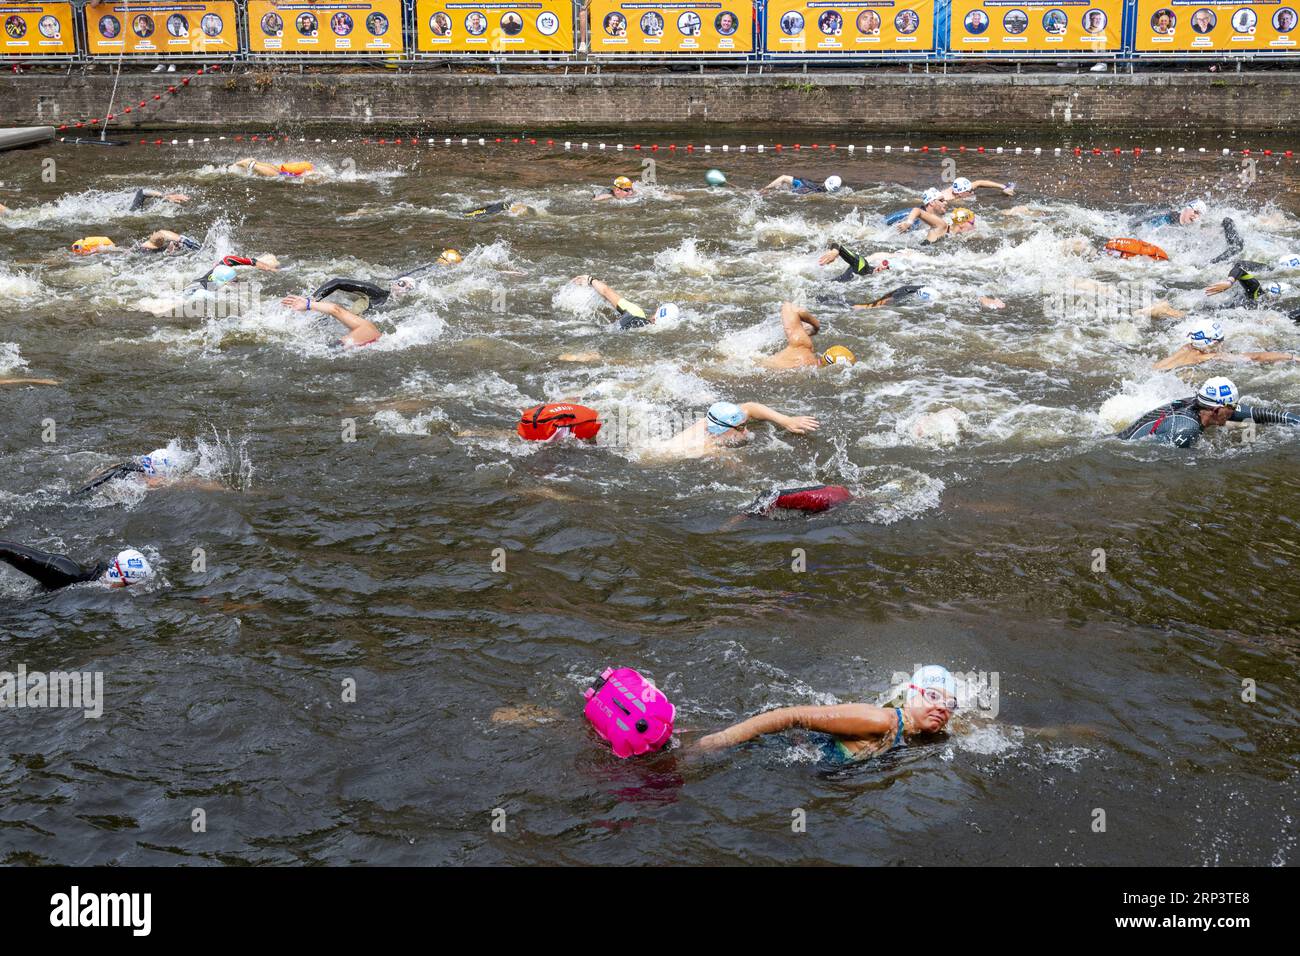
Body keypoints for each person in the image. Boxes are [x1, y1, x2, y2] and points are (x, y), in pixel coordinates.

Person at [695, 665, 957, 764]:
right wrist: (726, 738)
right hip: (762, 751)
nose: (942, 707)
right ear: (911, 695)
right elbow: (795, 716)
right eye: (933, 696)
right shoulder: (880, 720)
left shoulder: (918, 731)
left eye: (950, 703)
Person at [1118, 376, 1300, 446]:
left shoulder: (1201, 404)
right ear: (1216, 410)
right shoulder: (1186, 430)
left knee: (1247, 423)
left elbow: (1263, 415)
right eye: (1233, 407)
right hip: (1123, 445)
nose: (1236, 410)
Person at [648, 400, 819, 460]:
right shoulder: (708, 445)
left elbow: (749, 407)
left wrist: (786, 420)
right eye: (740, 428)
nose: (745, 431)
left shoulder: (719, 421)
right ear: (721, 430)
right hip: (655, 456)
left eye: (744, 425)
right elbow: (736, 468)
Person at [310, 250, 462, 312]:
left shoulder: (408, 309)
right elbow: (338, 281)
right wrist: (311, 301)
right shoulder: (377, 293)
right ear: (393, 284)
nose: (402, 288)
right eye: (401, 283)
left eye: (408, 288)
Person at [1153, 318, 1300, 370]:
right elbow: (1254, 357)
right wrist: (1292, 357)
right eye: (1221, 341)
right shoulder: (1208, 357)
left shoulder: (1185, 347)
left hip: (1153, 370)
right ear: (1214, 342)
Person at [0, 542, 153, 590]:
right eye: (129, 586)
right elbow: (10, 552)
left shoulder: (101, 580)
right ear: (116, 575)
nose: (132, 590)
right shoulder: (64, 573)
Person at [756, 302, 856, 370]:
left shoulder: (802, 345)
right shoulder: (806, 373)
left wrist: (816, 326)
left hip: (751, 362)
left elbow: (788, 306)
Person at [570, 274, 677, 330]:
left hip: (599, 331)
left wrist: (589, 279)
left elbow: (606, 291)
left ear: (658, 311)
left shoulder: (636, 313)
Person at [281, 294, 380, 347]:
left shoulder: (368, 328)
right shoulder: (370, 330)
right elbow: (335, 310)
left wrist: (308, 304)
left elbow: (335, 309)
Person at [817, 241, 890, 282]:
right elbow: (838, 245)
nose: (884, 267)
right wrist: (835, 251)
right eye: (885, 263)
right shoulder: (863, 266)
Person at [936, 176, 1014, 203]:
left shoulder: (962, 188)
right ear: (960, 193)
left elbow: (979, 182)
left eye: (971, 189)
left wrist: (1003, 187)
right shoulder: (947, 199)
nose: (973, 192)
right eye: (970, 191)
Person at [1139, 199, 1207, 229]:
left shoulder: (1184, 230)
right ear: (1187, 208)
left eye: (1199, 215)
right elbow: (1140, 220)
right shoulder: (1166, 215)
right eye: (1195, 212)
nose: (1196, 216)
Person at [229, 158, 318, 179]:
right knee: (280, 175)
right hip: (306, 168)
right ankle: (253, 164)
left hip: (306, 166)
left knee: (280, 172)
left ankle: (254, 162)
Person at [760, 174, 843, 196]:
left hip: (798, 191)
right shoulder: (823, 195)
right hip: (798, 194)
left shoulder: (805, 183)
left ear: (826, 180)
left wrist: (766, 188)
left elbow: (783, 177)